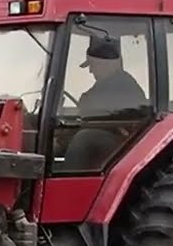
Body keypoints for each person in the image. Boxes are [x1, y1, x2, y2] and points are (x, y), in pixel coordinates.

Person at [60, 35, 148, 170]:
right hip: (112, 135)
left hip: (124, 143)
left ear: (108, 64)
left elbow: (90, 108)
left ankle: (65, 186)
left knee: (84, 138)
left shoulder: (121, 84)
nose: (90, 71)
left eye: (93, 65)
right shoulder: (107, 84)